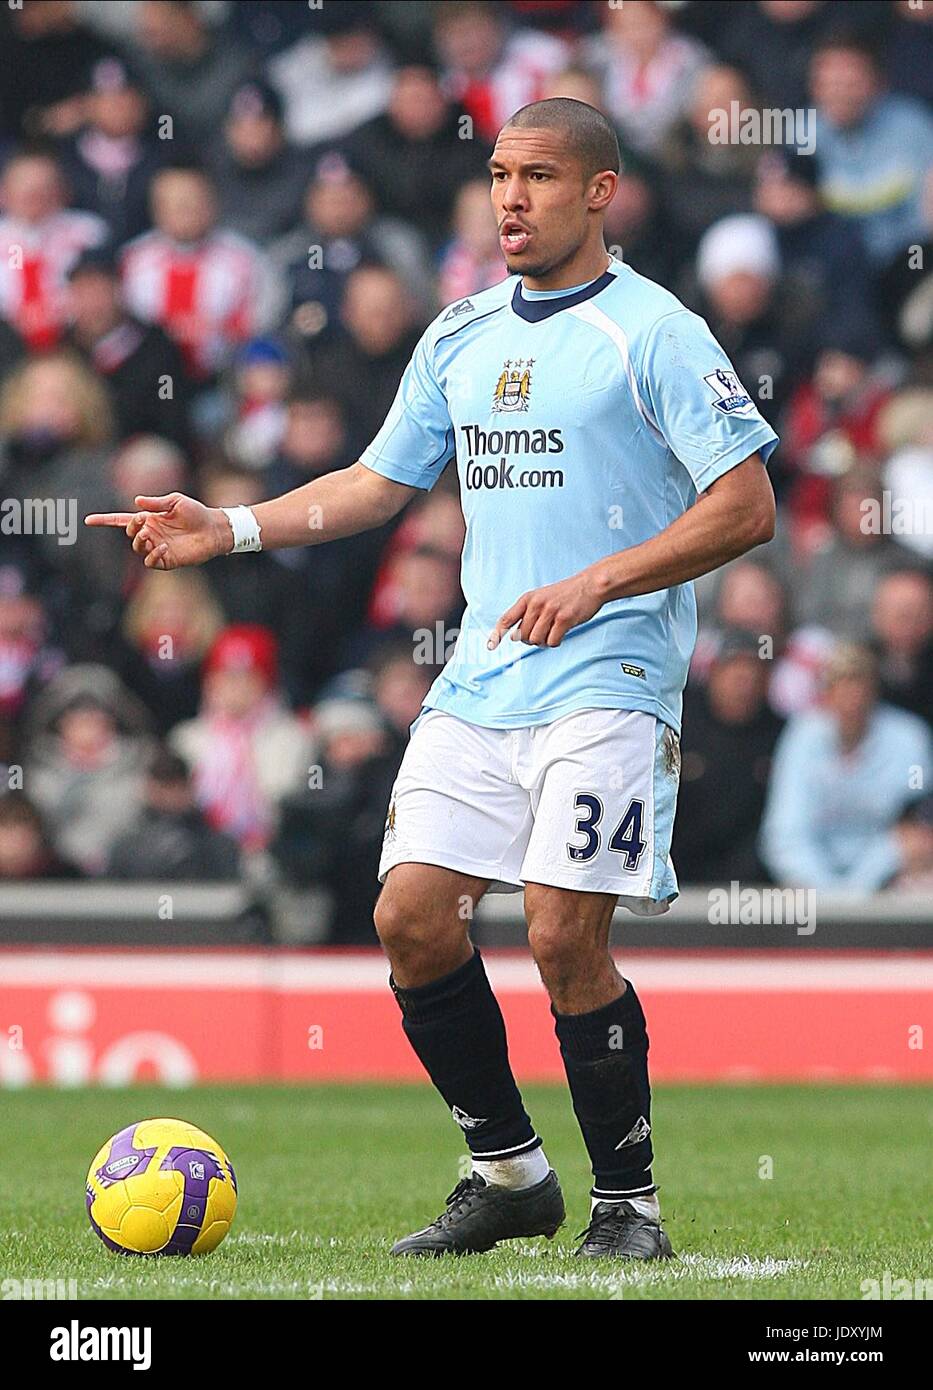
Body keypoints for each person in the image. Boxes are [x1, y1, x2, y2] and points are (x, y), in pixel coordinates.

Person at [86, 97, 778, 1262]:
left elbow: (746, 503)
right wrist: (231, 528)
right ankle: (509, 1173)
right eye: (502, 175)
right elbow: (374, 484)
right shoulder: (459, 331)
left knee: (563, 934)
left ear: (600, 192)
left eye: (541, 177)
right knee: (409, 916)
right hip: (484, 675)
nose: (512, 197)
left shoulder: (653, 330)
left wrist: (604, 580)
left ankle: (628, 1205)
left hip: (609, 674)